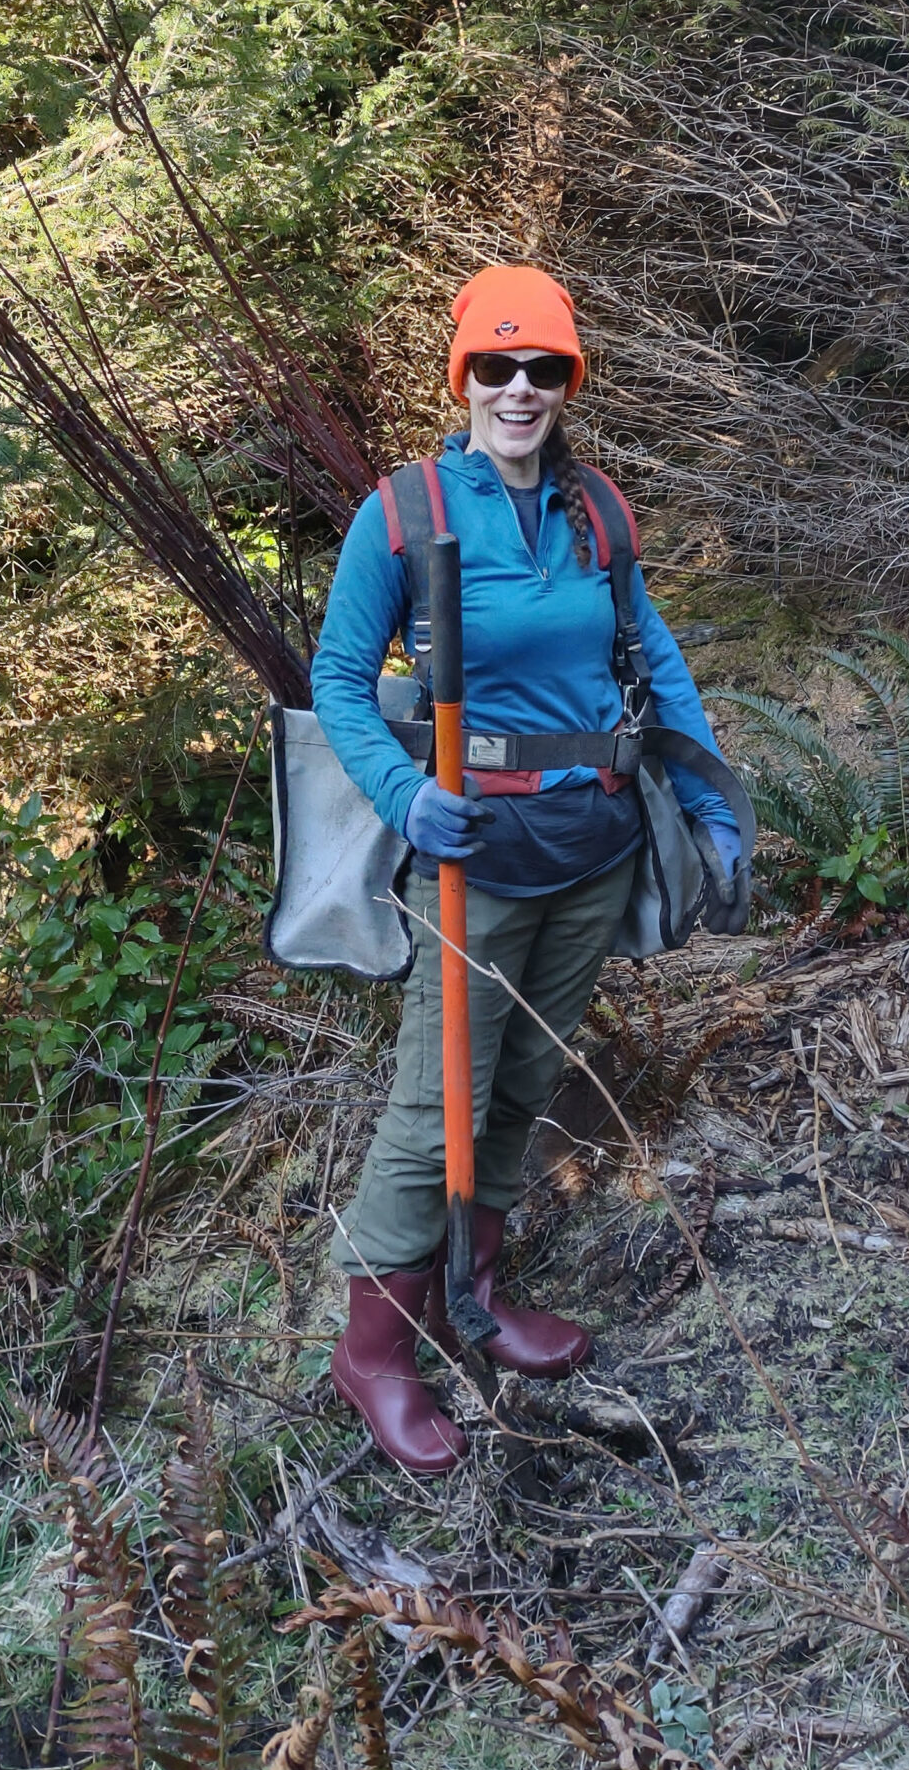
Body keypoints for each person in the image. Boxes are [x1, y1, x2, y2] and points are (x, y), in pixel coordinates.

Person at [310, 263, 740, 1473]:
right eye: (493, 366)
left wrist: (705, 788)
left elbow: (645, 642)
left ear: (567, 381)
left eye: (541, 367)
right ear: (462, 375)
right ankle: (378, 1349)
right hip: (474, 856)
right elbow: (338, 678)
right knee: (429, 1107)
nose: (517, 387)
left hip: (590, 846)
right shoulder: (405, 514)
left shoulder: (595, 508)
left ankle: (478, 1297)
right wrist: (406, 795)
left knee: (521, 1085)